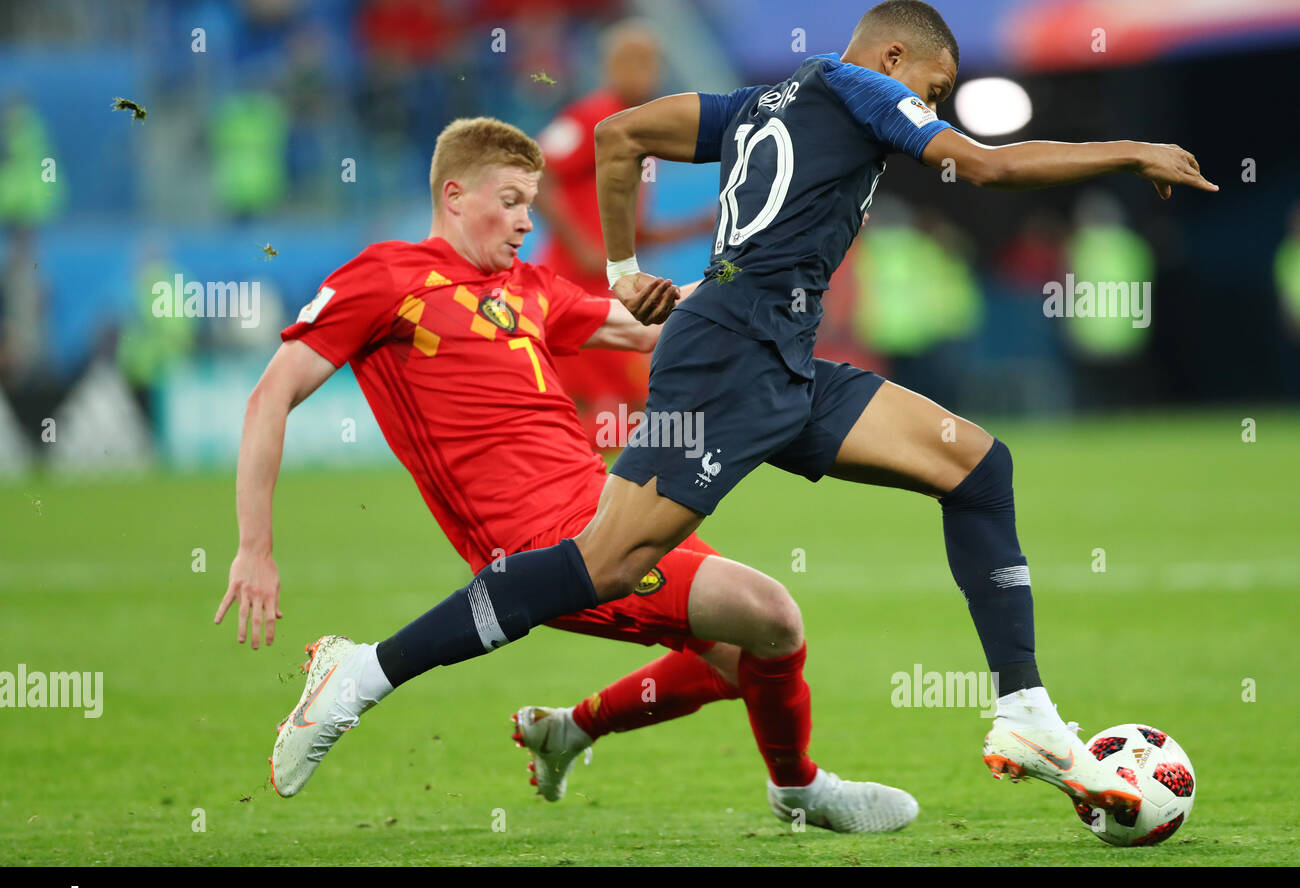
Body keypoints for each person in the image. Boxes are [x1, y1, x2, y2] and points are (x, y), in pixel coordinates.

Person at [259, 0, 1216, 821]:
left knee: (976, 464)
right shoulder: (866, 89)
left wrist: (626, 273)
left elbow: (619, 135)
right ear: (891, 59)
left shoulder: (766, 99)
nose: (931, 106)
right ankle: (363, 672)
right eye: (934, 83)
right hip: (731, 352)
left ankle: (1023, 707)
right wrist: (1132, 151)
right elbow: (988, 168)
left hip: (782, 356)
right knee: (605, 563)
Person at [215, 116, 917, 833]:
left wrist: (758, 272)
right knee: (771, 616)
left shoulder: (529, 287)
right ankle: (801, 790)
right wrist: (254, 548)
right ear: (454, 196)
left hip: (615, 505)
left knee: (747, 658)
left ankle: (572, 731)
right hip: (545, 543)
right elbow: (272, 394)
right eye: (512, 200)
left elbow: (654, 325)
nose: (526, 220)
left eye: (531, 202)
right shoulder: (386, 277)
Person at [534, 19, 712, 446]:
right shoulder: (591, 117)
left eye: (648, 61)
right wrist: (580, 246)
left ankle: (601, 492)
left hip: (612, 281)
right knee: (594, 398)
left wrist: (698, 226)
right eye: (630, 61)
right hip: (574, 282)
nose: (641, 71)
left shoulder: (641, 129)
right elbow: (536, 168)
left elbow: (628, 233)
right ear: (606, 66)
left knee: (625, 404)